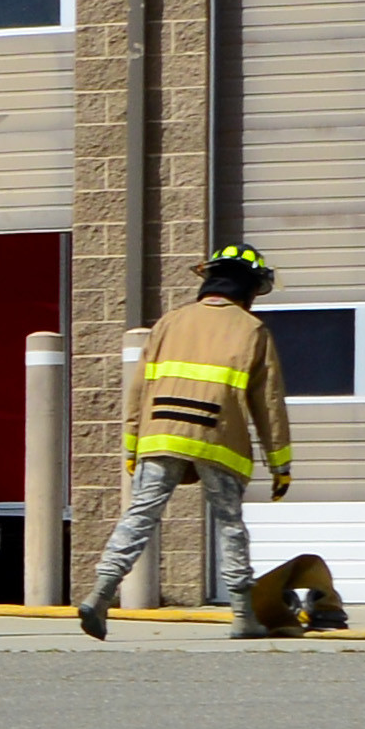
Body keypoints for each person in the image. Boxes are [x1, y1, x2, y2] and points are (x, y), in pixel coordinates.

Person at [79, 241, 296, 640]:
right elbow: (269, 405)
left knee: (138, 517)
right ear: (248, 288)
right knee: (230, 524)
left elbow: (138, 390)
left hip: (160, 433)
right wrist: (279, 464)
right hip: (218, 438)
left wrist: (132, 446)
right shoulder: (252, 330)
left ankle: (100, 594)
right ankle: (242, 616)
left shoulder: (169, 322)